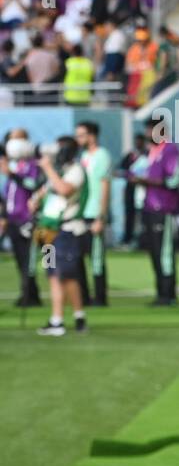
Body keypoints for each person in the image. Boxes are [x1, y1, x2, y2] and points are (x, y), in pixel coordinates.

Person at [32, 136, 89, 336]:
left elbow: (64, 189)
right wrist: (36, 201)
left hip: (67, 231)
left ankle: (75, 316)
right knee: (53, 275)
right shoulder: (57, 170)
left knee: (67, 275)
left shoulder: (75, 171)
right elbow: (45, 191)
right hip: (47, 231)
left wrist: (47, 169)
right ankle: (57, 319)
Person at [130, 128, 179, 305]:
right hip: (149, 206)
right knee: (154, 252)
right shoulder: (151, 151)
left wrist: (143, 180)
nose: (147, 135)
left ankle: (169, 294)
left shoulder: (170, 149)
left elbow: (172, 180)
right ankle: (161, 292)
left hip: (164, 207)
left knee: (164, 252)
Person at [1, 130, 43, 307]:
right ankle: (27, 292)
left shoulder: (32, 165)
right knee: (20, 259)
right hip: (13, 219)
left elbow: (33, 185)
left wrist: (12, 175)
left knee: (38, 258)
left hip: (30, 220)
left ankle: (34, 294)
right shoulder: (14, 165)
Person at [75, 120, 112, 307]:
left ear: (92, 135)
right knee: (79, 256)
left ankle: (100, 298)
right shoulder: (83, 156)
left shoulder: (102, 155)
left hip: (94, 212)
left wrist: (101, 216)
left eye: (81, 135)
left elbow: (105, 186)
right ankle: (84, 296)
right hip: (81, 213)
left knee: (96, 258)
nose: (78, 139)